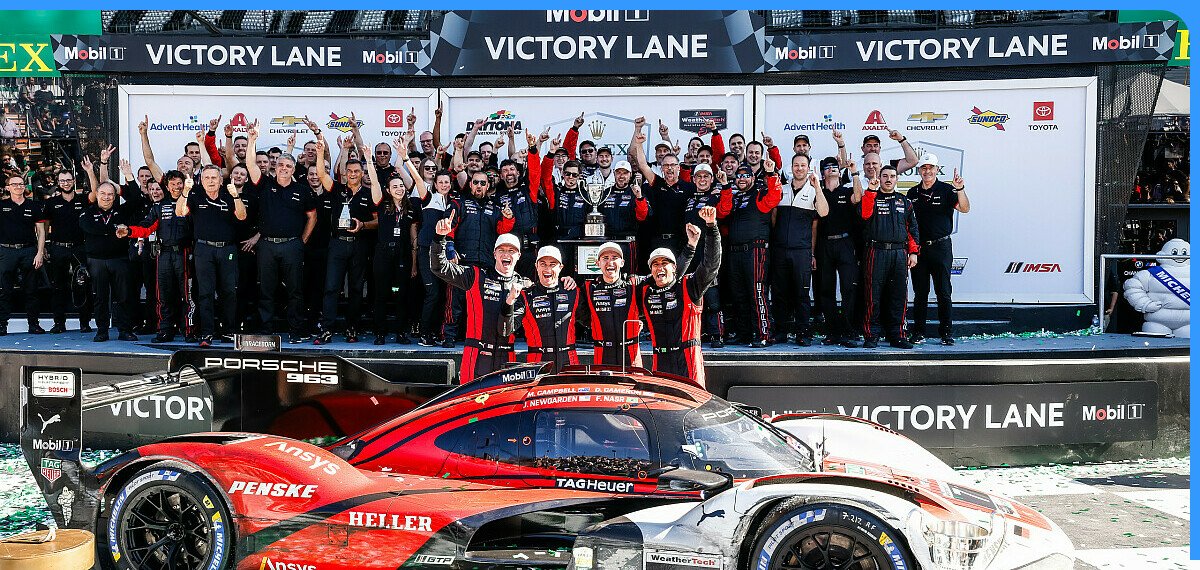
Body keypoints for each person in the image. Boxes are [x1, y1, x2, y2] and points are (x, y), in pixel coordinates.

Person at [245, 120, 318, 343]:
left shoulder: (302, 190)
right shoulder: (265, 184)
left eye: (288, 166)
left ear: (294, 169)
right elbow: (250, 165)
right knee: (266, 289)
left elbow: (312, 217)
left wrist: (302, 241)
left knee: (295, 290)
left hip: (292, 246)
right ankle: (266, 330)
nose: (284, 168)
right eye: (281, 166)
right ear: (275, 168)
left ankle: (296, 330)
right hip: (267, 244)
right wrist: (252, 140)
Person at [432, 226, 529, 382]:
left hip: (506, 360)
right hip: (476, 357)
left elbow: (505, 330)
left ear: (518, 255)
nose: (506, 254)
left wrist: (568, 281)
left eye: (511, 251)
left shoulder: (524, 287)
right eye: (501, 250)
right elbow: (439, 268)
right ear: (494, 254)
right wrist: (439, 239)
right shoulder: (475, 275)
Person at [639, 208, 721, 386]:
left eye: (665, 263)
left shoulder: (689, 286)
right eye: (655, 264)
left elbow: (711, 265)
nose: (660, 268)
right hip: (660, 362)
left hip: (688, 361)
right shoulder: (645, 291)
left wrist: (711, 227)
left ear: (674, 268)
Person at [167, 165, 246, 346]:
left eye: (214, 178)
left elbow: (242, 216)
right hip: (203, 250)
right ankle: (207, 333)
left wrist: (235, 195)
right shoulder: (194, 195)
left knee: (229, 292)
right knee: (205, 293)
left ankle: (228, 332)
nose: (210, 181)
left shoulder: (228, 194)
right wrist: (185, 191)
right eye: (207, 178)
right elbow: (180, 212)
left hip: (227, 250)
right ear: (201, 181)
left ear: (220, 180)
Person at [314, 139, 378, 345]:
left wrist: (363, 225)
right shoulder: (336, 190)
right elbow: (322, 175)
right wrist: (321, 152)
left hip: (359, 245)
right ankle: (326, 329)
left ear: (362, 173)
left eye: (356, 171)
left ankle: (352, 328)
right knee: (331, 287)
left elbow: (378, 222)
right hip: (338, 244)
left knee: (357, 289)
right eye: (349, 171)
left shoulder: (369, 194)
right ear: (345, 173)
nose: (352, 174)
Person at [442, 170, 516, 347]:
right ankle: (449, 336)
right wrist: (450, 249)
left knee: (484, 303)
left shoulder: (496, 207)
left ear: (488, 186)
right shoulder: (458, 203)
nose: (479, 186)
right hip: (462, 263)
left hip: (486, 264)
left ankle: (482, 336)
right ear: (470, 184)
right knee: (454, 302)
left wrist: (509, 218)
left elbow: (503, 232)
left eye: (483, 183)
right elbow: (447, 227)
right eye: (476, 182)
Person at [126, 163, 193, 343]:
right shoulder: (158, 206)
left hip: (185, 254)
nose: (176, 187)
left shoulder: (191, 202)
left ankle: (189, 329)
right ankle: (164, 330)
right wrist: (129, 231)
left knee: (188, 295)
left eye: (179, 183)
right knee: (163, 294)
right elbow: (146, 227)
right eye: (172, 183)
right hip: (163, 254)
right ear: (167, 186)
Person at [720, 160, 783, 347]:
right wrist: (724, 186)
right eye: (738, 175)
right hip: (734, 252)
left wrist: (771, 174)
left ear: (753, 177)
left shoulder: (759, 193)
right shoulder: (734, 197)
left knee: (757, 292)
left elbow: (775, 196)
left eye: (746, 175)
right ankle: (744, 333)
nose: (741, 178)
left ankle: (765, 334)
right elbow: (722, 212)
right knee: (738, 294)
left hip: (755, 250)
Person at [909, 154, 970, 345]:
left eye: (931, 168)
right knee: (920, 292)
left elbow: (965, 208)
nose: (927, 171)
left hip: (941, 246)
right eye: (924, 168)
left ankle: (946, 333)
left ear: (937, 169)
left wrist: (960, 189)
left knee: (943, 291)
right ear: (919, 170)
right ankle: (918, 332)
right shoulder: (912, 193)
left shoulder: (947, 189)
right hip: (919, 249)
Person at [860, 165, 919, 349]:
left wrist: (914, 252)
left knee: (899, 296)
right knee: (872, 296)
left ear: (897, 179)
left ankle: (898, 335)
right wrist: (871, 190)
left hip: (899, 254)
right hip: (875, 252)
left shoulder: (905, 202)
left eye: (892, 176)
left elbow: (913, 229)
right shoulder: (871, 197)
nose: (888, 179)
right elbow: (864, 214)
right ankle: (871, 335)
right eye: (885, 176)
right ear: (879, 177)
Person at [502, 245, 582, 371]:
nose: (547, 269)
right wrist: (510, 301)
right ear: (536, 266)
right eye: (543, 264)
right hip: (538, 364)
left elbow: (591, 320)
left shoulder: (573, 292)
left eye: (552, 264)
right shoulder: (526, 295)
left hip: (568, 361)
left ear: (560, 267)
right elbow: (507, 329)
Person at [816, 156, 863, 348]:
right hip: (824, 245)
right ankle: (833, 332)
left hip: (845, 243)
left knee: (848, 289)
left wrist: (854, 173)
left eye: (834, 166)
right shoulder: (817, 191)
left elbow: (859, 197)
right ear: (822, 172)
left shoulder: (847, 189)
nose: (831, 169)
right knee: (826, 290)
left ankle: (850, 331)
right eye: (827, 167)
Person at [79, 182, 135, 342]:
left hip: (119, 260)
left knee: (123, 296)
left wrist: (127, 181)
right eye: (103, 193)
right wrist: (114, 230)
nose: (106, 197)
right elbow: (90, 229)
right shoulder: (87, 212)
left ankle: (125, 330)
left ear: (115, 196)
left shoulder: (122, 211)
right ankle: (102, 331)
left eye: (110, 194)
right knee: (100, 298)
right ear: (96, 194)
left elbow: (136, 200)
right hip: (96, 261)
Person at [632, 117, 695, 258]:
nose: (670, 168)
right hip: (658, 241)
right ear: (661, 168)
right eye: (666, 166)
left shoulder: (689, 188)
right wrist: (639, 144)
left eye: (673, 165)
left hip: (681, 242)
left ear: (679, 168)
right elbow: (642, 164)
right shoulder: (657, 183)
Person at [42, 169, 92, 334]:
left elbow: (96, 193)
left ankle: (84, 323)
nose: (66, 183)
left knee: (82, 285)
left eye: (68, 180)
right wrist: (45, 247)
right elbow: (46, 226)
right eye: (62, 180)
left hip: (79, 248)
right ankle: (59, 323)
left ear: (74, 181)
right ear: (58, 182)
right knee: (58, 287)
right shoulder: (51, 203)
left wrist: (90, 171)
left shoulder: (82, 199)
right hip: (58, 248)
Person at [372, 170, 419, 345]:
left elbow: (414, 235)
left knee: (402, 295)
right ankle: (380, 333)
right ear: (388, 190)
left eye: (401, 186)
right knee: (381, 294)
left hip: (403, 253)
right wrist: (369, 160)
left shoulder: (411, 207)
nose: (399, 189)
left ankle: (401, 332)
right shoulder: (382, 203)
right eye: (395, 186)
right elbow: (375, 185)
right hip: (383, 253)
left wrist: (414, 263)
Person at [0, 175, 46, 336]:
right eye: (14, 184)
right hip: (7, 251)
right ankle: (2, 325)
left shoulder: (33, 206)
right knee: (5, 290)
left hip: (29, 251)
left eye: (21, 184)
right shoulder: (2, 205)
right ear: (8, 187)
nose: (18, 187)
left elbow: (41, 231)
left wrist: (40, 253)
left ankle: (33, 324)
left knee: (31, 290)